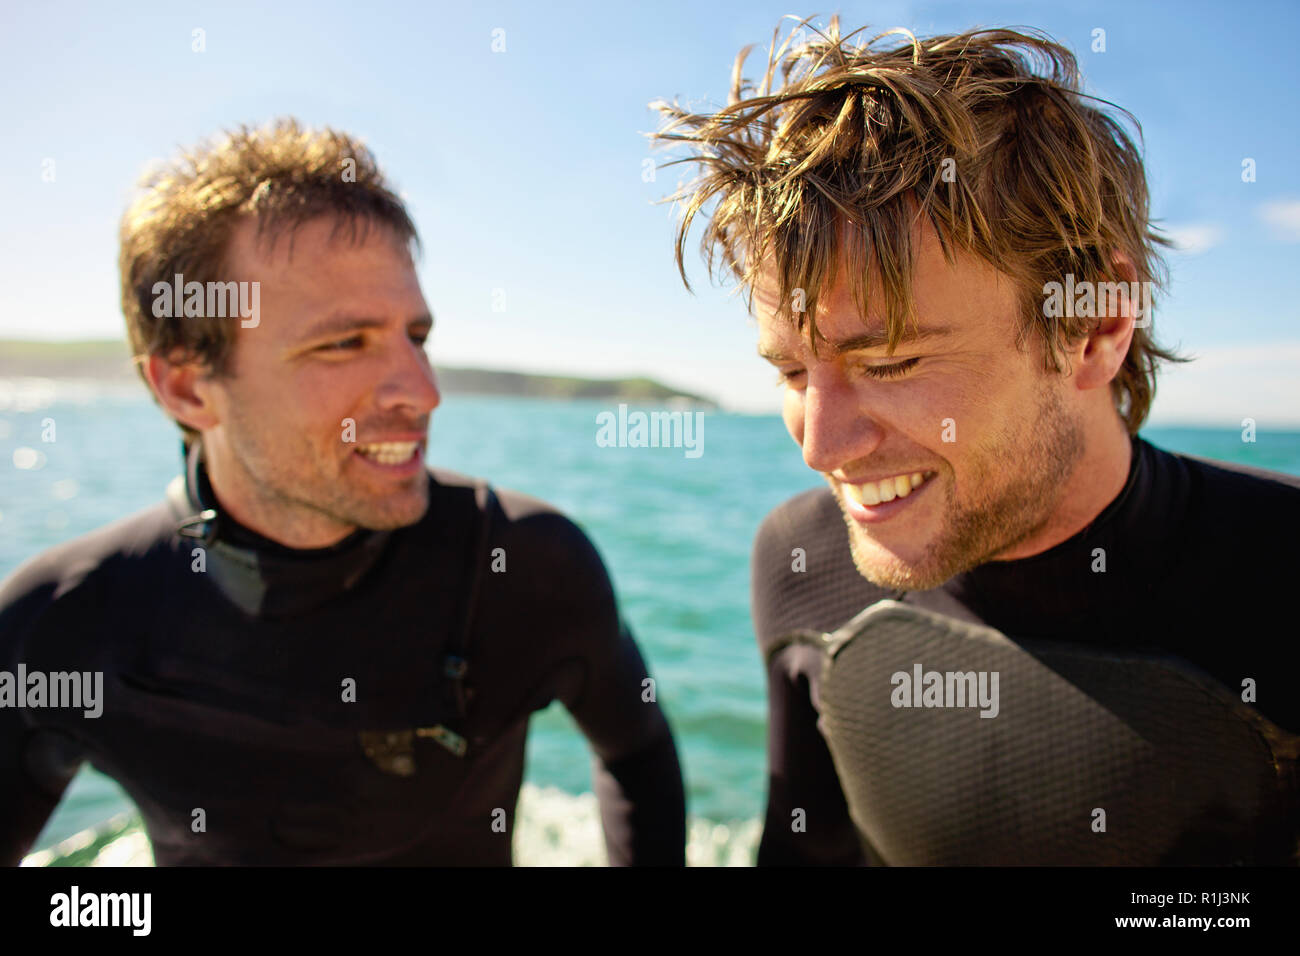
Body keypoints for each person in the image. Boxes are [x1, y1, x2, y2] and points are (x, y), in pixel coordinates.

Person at [653, 19, 1300, 865]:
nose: (822, 447)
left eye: (890, 363)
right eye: (793, 372)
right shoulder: (800, 561)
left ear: (1095, 324)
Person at [0, 119, 685, 866]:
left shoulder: (527, 568)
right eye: (344, 343)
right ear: (190, 388)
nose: (424, 393)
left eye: (415, 337)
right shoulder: (63, 622)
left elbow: (638, 752)